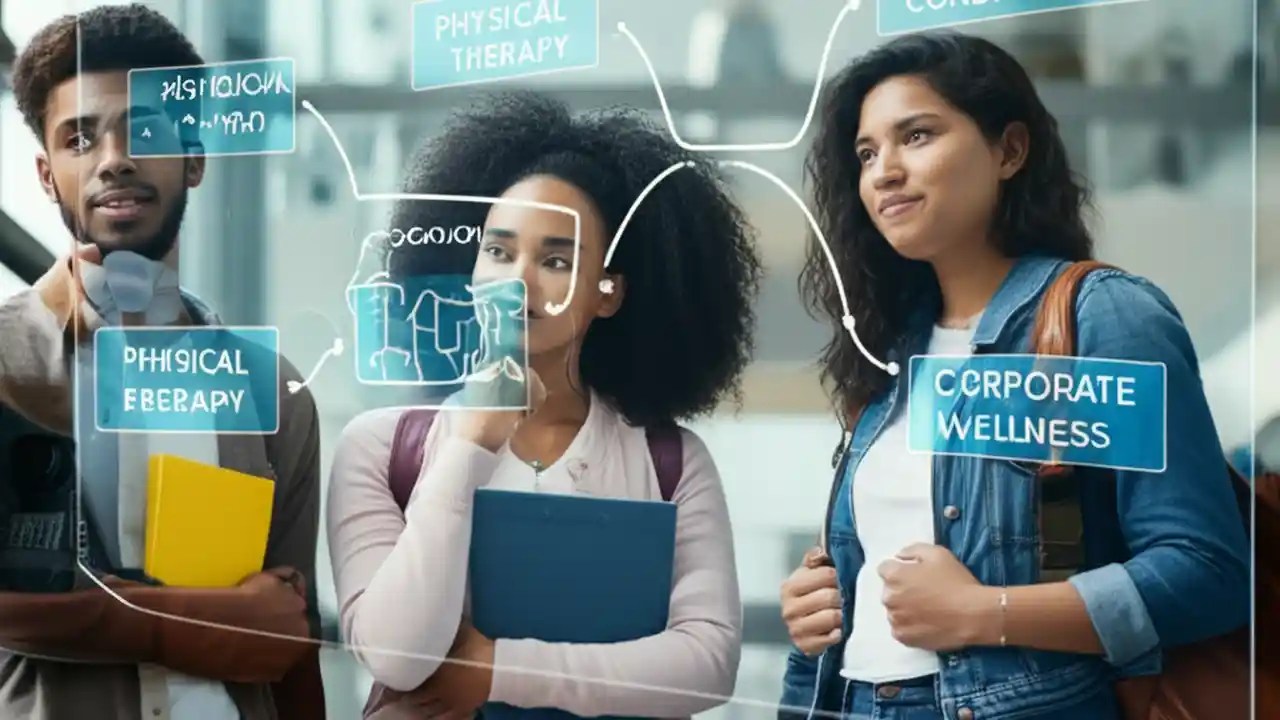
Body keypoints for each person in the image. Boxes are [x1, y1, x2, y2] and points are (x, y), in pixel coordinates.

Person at [777, 31, 1249, 720]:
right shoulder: (887, 355)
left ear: (1009, 150)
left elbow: (1207, 571)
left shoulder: (1103, 318)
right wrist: (817, 607)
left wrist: (985, 612)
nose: (883, 171)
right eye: (867, 153)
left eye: (916, 136)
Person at [327, 90, 760, 718]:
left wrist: (496, 670)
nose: (518, 280)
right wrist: (470, 444)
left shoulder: (669, 461)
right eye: (498, 251)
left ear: (608, 293)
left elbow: (706, 665)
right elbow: (399, 656)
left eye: (556, 259)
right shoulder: (381, 447)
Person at [0, 4, 324, 719]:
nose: (114, 156)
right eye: (80, 136)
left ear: (196, 157)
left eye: (145, 130)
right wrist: (193, 627)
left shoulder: (272, 388)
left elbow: (291, 639)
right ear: (48, 176)